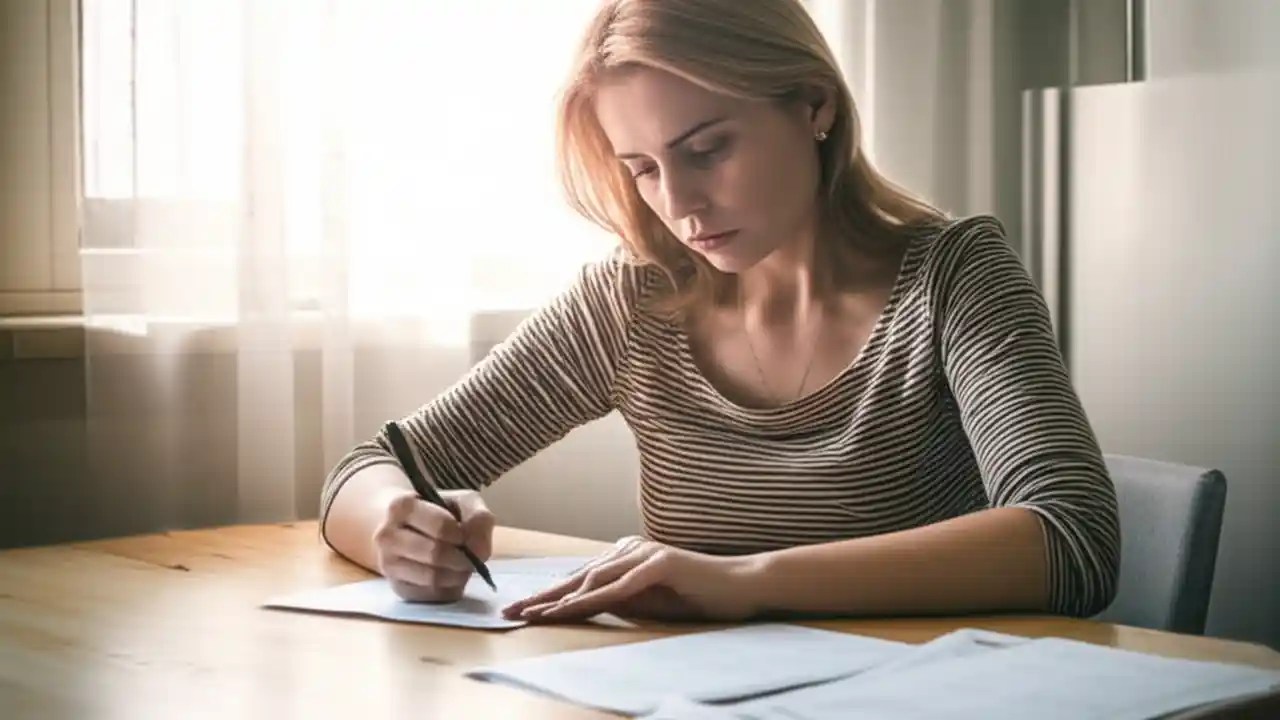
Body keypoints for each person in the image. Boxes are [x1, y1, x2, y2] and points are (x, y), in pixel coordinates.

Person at [319, 0, 1120, 624]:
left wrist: (748, 581)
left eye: (707, 150)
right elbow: (370, 468)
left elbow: (1073, 539)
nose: (679, 203)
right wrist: (398, 526)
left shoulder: (952, 279)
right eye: (642, 169)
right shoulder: (632, 302)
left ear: (814, 105)